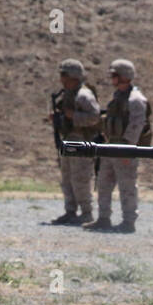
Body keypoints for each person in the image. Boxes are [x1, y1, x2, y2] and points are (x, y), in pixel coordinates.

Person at [84, 59, 148, 233]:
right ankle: (103, 219)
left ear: (124, 77)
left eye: (114, 75)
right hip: (110, 147)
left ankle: (128, 222)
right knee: (103, 184)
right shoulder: (118, 97)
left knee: (127, 187)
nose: (111, 78)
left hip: (124, 149)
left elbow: (136, 125)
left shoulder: (136, 99)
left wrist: (128, 150)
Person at [47, 58, 102, 225]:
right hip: (68, 140)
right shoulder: (66, 94)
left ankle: (86, 213)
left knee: (81, 178)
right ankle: (70, 211)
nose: (61, 79)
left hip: (82, 141)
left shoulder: (83, 95)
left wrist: (73, 116)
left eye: (64, 75)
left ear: (74, 77)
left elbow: (95, 117)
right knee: (67, 177)